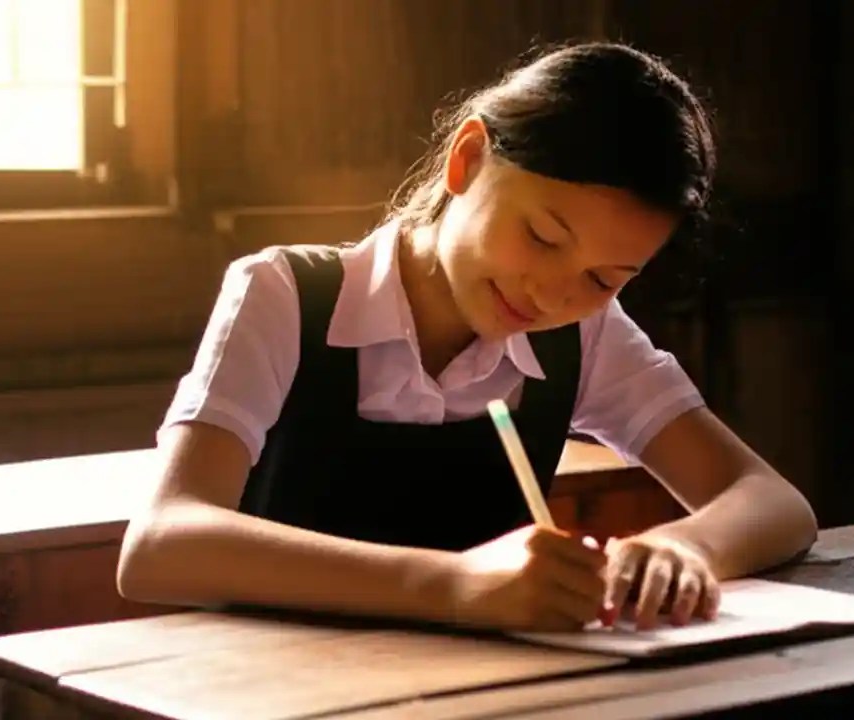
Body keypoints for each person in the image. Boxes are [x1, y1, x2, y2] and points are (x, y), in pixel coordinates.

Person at [116, 40, 817, 633]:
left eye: (605, 278)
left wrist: (682, 548)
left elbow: (774, 502)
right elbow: (161, 545)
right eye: (542, 236)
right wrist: (453, 586)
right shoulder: (286, 298)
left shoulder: (583, 335)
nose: (552, 295)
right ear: (468, 158)